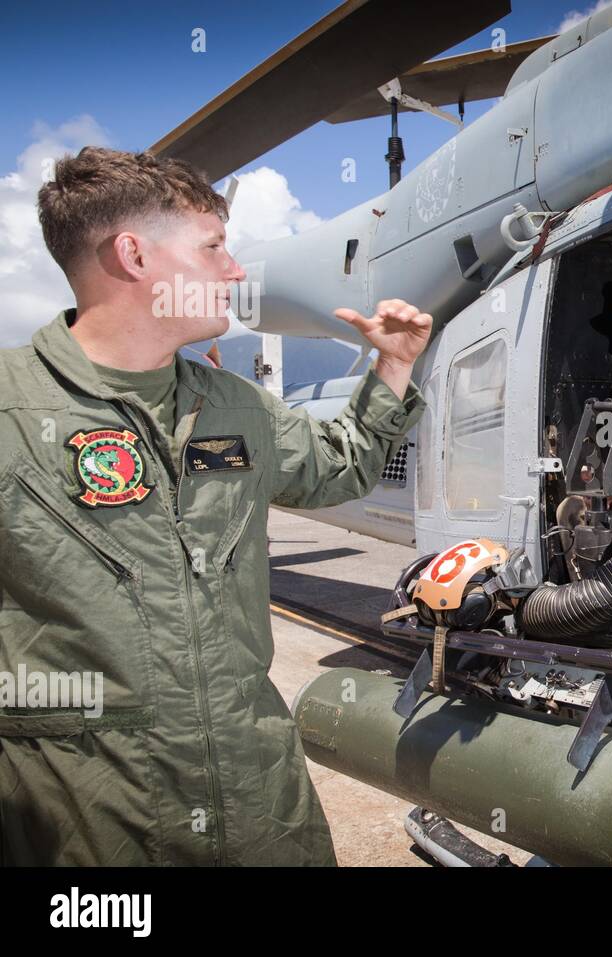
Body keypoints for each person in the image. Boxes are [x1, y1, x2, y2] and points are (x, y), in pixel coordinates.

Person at [0, 146, 430, 864]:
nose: (235, 270)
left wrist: (393, 364)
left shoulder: (230, 405)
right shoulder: (14, 412)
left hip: (259, 813)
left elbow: (339, 466)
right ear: (134, 256)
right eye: (214, 246)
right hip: (86, 830)